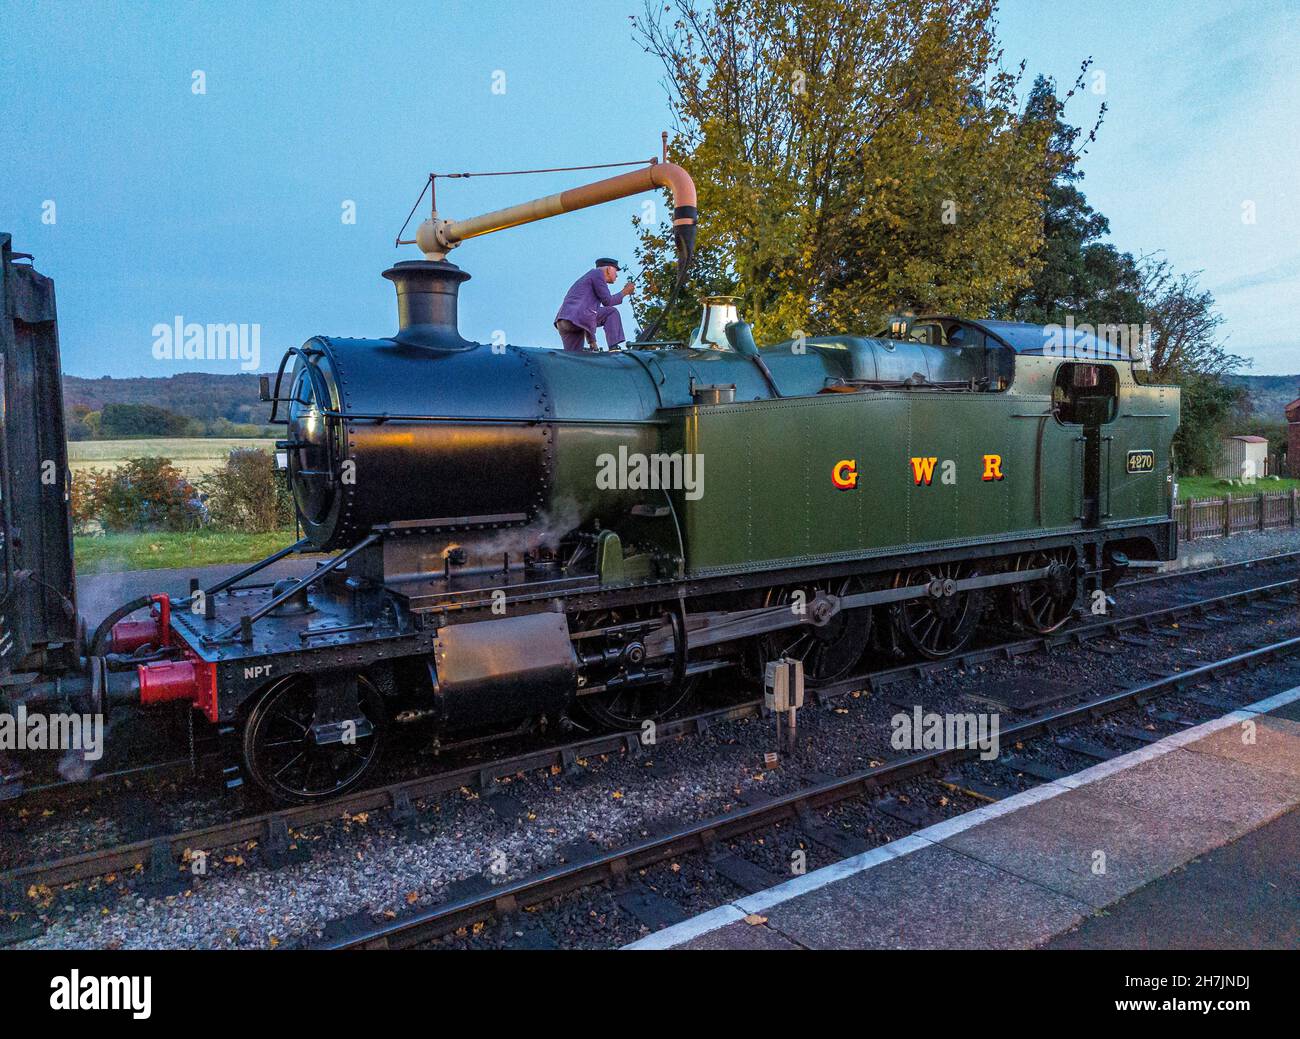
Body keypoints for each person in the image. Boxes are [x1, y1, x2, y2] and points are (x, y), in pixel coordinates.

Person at [554, 258, 634, 352]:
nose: (616, 275)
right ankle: (614, 347)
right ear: (608, 269)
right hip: (578, 317)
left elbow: (588, 312)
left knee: (574, 356)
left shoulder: (589, 277)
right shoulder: (598, 274)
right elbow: (608, 301)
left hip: (564, 321)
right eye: (615, 271)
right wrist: (625, 292)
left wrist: (592, 341)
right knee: (611, 312)